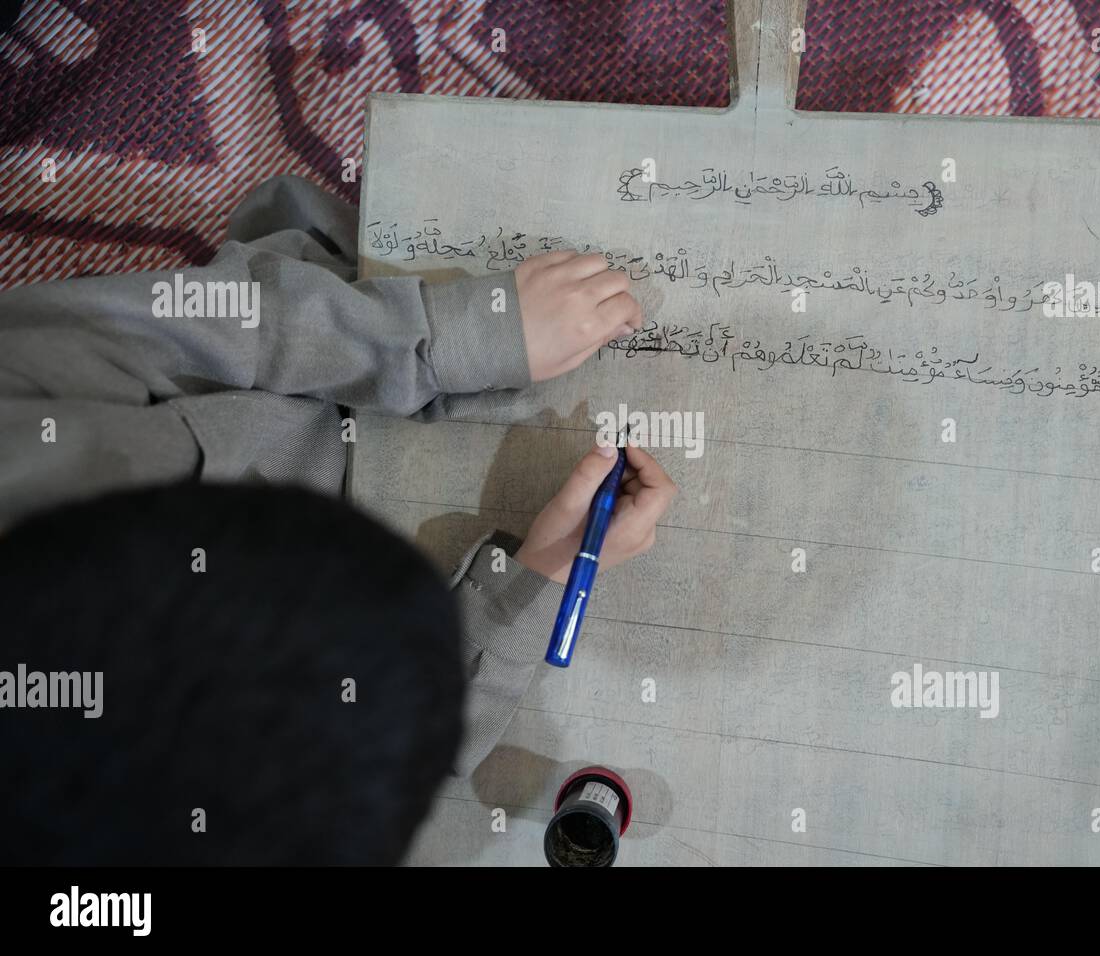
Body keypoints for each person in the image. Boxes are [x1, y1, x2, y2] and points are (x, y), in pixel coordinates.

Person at [0, 174, 677, 862]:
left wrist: (456, 336)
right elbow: (397, 759)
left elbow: (205, 320)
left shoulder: (21, 422)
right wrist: (534, 584)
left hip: (327, 349)